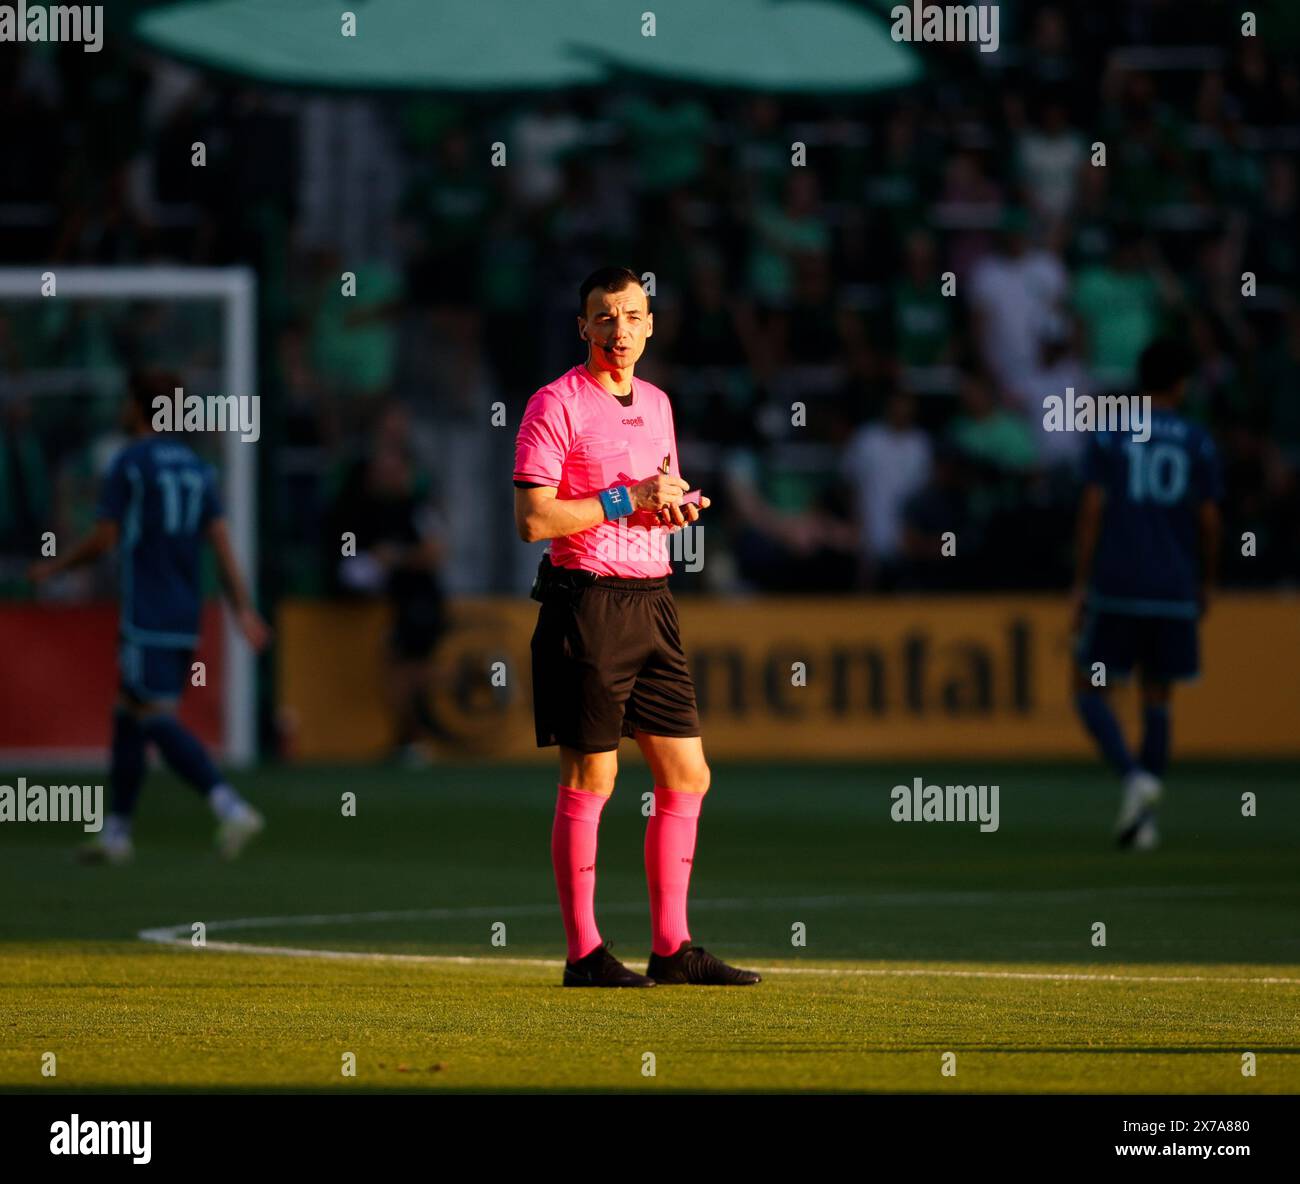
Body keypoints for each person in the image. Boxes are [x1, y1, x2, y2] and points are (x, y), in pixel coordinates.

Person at [514, 266, 760, 988]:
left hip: (653, 598)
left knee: (688, 772)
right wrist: (626, 499)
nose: (619, 330)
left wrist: (672, 509)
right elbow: (535, 520)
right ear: (583, 328)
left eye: (632, 316)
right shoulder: (553, 404)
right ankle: (584, 955)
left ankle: (672, 947)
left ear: (651, 324)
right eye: (604, 317)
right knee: (594, 774)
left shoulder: (657, 403)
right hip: (586, 601)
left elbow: (655, 494)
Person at [27, 370, 270, 864]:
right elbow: (221, 548)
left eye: (127, 402)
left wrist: (55, 567)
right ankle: (117, 833)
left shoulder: (130, 464)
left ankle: (231, 806)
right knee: (128, 714)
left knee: (150, 715)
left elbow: (104, 538)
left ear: (139, 408)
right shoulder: (199, 470)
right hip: (186, 614)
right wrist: (243, 610)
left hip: (146, 613)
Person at [1070, 339, 1223, 849]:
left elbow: (1092, 509)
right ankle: (1145, 809)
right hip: (1174, 587)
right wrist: (1206, 581)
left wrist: (1080, 582)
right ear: (1182, 384)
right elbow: (1209, 520)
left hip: (1117, 585)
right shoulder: (1198, 442)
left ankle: (1135, 780)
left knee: (1088, 689)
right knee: (1158, 698)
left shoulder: (1111, 435)